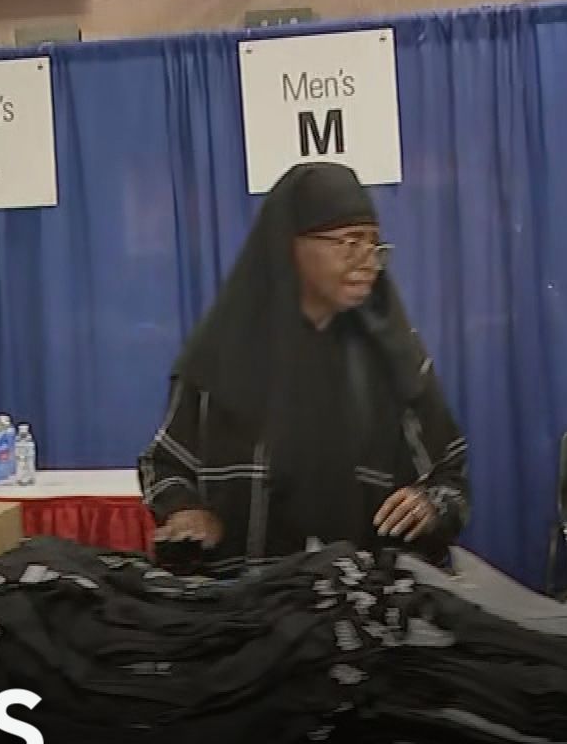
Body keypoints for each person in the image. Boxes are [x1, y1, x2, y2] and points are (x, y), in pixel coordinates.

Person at [138, 162, 470, 574]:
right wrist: (184, 511)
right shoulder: (223, 353)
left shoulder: (394, 355)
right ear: (289, 246)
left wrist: (431, 505)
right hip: (244, 603)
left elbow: (450, 478)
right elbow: (164, 464)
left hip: (366, 604)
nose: (368, 261)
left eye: (375, 246)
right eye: (350, 243)